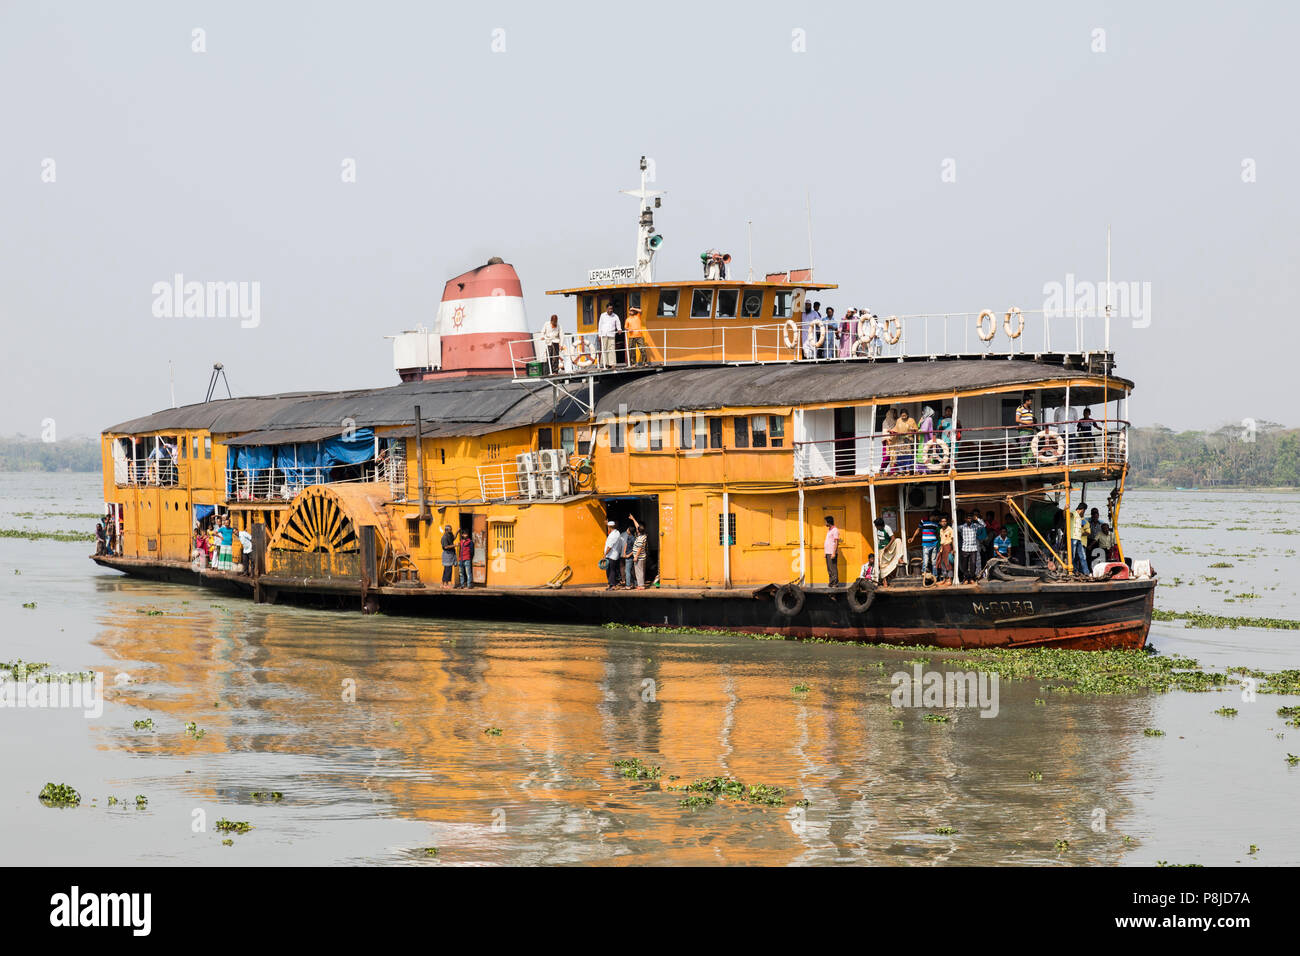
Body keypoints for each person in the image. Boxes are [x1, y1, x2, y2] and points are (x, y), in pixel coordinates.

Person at [909, 512, 941, 581]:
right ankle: (924, 574)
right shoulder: (923, 521)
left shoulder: (936, 523)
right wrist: (913, 538)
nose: (936, 519)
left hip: (934, 544)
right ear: (932, 516)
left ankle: (935, 576)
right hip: (926, 544)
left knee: (934, 561)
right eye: (936, 517)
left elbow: (939, 533)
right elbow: (918, 529)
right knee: (925, 561)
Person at [958, 511, 985, 583]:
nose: (969, 520)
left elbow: (984, 525)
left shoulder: (975, 526)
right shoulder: (962, 527)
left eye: (971, 518)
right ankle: (966, 578)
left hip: (973, 548)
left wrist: (977, 519)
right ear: (965, 519)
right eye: (968, 518)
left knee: (973, 564)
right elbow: (953, 528)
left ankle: (971, 578)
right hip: (965, 548)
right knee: (964, 565)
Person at [597, 304, 621, 369]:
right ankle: (606, 364)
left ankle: (612, 364)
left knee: (612, 349)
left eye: (611, 309)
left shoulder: (615, 316)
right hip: (604, 334)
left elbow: (618, 323)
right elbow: (600, 325)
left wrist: (619, 329)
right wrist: (599, 335)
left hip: (611, 334)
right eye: (609, 309)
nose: (610, 310)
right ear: (606, 309)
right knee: (604, 349)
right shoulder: (602, 315)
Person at [1070, 503, 1089, 575]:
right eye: (1084, 511)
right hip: (1073, 538)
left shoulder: (1081, 518)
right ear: (1082, 510)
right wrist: (1065, 509)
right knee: (1072, 556)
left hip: (1079, 539)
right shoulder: (1073, 513)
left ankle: (1086, 572)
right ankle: (1073, 571)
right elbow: (1066, 515)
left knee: (1083, 556)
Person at [1016, 394, 1036, 465]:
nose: (1031, 402)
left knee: (1031, 447)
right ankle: (1024, 463)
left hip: (1030, 430)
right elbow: (1017, 420)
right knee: (1023, 447)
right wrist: (1027, 423)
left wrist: (1032, 424)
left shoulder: (1030, 409)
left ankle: (1029, 463)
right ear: (1026, 401)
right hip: (1023, 430)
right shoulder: (1020, 408)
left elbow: (1031, 419)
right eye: (1030, 400)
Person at [602, 520, 622, 589]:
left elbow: (609, 546)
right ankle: (611, 584)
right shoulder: (617, 532)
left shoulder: (612, 535)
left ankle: (612, 585)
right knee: (612, 570)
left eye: (608, 527)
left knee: (610, 571)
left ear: (610, 527)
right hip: (614, 555)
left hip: (610, 555)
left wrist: (605, 554)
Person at [823, 515, 841, 586]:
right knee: (829, 569)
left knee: (833, 568)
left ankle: (835, 583)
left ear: (829, 522)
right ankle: (831, 582)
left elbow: (836, 542)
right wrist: (825, 552)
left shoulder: (835, 530)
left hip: (832, 552)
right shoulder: (829, 530)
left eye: (826, 522)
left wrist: (834, 553)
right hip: (828, 552)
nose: (825, 523)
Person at [632, 519, 649, 588]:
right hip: (642, 557)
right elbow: (638, 526)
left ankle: (641, 585)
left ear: (638, 531)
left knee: (639, 572)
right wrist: (633, 519)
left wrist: (636, 556)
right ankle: (641, 584)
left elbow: (639, 548)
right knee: (641, 571)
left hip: (639, 557)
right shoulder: (644, 535)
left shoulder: (640, 538)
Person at [879, 407, 897, 472]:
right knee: (887, 457)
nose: (895, 415)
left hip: (895, 442)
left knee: (894, 457)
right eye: (894, 413)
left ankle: (893, 471)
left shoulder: (896, 421)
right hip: (887, 442)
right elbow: (885, 432)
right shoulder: (885, 422)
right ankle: (882, 469)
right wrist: (888, 439)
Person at [937, 515, 954, 580]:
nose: (944, 523)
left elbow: (952, 540)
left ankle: (949, 579)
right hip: (942, 547)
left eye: (945, 521)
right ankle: (945, 578)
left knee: (948, 563)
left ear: (947, 522)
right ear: (940, 523)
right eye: (942, 521)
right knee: (942, 563)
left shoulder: (950, 529)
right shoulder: (941, 530)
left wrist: (953, 549)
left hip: (948, 547)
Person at [621, 520, 636, 588]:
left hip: (630, 557)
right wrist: (624, 553)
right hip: (627, 556)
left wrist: (628, 555)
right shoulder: (629, 537)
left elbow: (635, 549)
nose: (627, 529)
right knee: (629, 571)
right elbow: (626, 545)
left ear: (629, 531)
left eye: (628, 529)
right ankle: (634, 584)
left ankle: (628, 585)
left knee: (627, 571)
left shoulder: (633, 539)